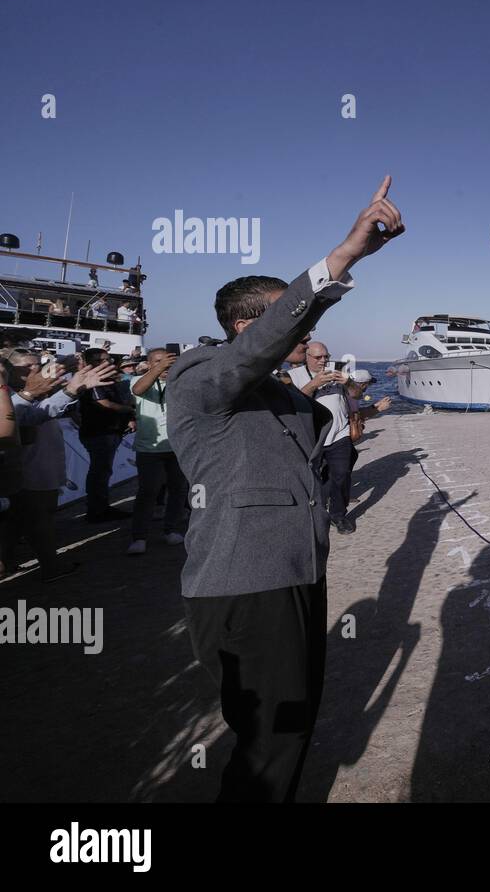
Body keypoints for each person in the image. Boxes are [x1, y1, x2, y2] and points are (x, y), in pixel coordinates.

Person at [168, 176, 404, 802]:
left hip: (294, 570)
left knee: (290, 726)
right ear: (248, 325)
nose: (303, 338)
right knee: (270, 739)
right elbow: (257, 354)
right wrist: (343, 257)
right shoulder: (198, 374)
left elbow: (313, 422)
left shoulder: (274, 387)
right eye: (286, 323)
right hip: (245, 581)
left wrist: (330, 384)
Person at [3, 352, 116, 581]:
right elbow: (17, 420)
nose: (35, 371)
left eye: (38, 365)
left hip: (40, 468)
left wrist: (71, 390)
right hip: (29, 471)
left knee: (20, 520)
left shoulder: (28, 394)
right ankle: (50, 566)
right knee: (38, 520)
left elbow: (38, 414)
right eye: (27, 367)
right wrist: (36, 393)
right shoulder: (14, 396)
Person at [125, 348, 189, 555]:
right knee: (148, 493)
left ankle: (171, 530)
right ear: (150, 364)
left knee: (178, 491)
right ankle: (139, 537)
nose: (165, 366)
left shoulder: (179, 382)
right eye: (159, 362)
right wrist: (158, 369)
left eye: (167, 361)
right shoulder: (136, 380)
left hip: (178, 447)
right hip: (149, 449)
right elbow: (138, 391)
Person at [291, 342, 356, 534]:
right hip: (311, 438)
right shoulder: (294, 376)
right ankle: (314, 515)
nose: (323, 361)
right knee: (311, 480)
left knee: (342, 475)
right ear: (306, 357)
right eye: (318, 357)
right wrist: (313, 384)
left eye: (326, 357)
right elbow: (292, 402)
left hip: (339, 434)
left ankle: (338, 515)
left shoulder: (339, 373)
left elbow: (357, 394)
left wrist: (348, 382)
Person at [77, 347, 134, 522]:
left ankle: (99, 508)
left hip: (110, 430)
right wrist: (131, 410)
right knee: (99, 473)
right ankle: (97, 511)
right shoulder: (93, 380)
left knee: (102, 471)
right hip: (99, 432)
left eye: (107, 359)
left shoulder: (108, 378)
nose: (106, 363)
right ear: (89, 363)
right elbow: (105, 404)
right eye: (100, 360)